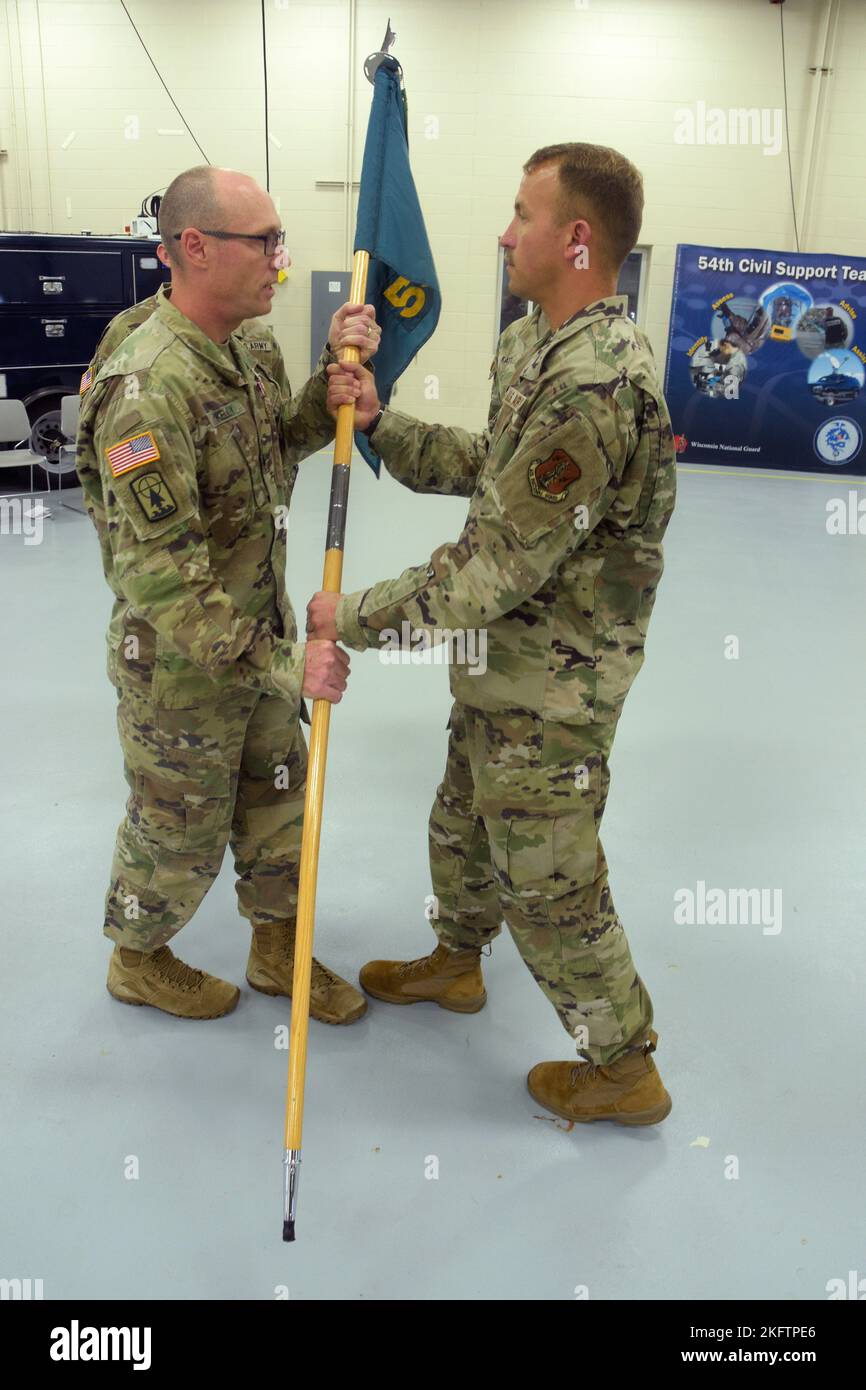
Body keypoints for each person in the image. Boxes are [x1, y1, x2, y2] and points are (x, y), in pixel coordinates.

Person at [309, 142, 676, 1124]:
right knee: (461, 818)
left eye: (521, 213)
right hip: (497, 663)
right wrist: (380, 424)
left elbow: (489, 570)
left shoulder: (596, 383)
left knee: (549, 876)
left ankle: (621, 1065)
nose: (502, 232)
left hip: (554, 680)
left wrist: (348, 617)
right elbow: (488, 466)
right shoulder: (534, 344)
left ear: (576, 237)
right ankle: (457, 960)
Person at [76, 164, 381, 1024]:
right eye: (266, 242)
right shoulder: (148, 390)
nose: (280, 261)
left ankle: (277, 948)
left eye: (281, 241)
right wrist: (286, 662)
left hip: (256, 639)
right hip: (184, 665)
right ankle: (138, 957)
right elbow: (162, 581)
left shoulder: (248, 346)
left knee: (279, 798)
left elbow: (272, 450)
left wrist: (332, 386)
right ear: (197, 249)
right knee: (177, 826)